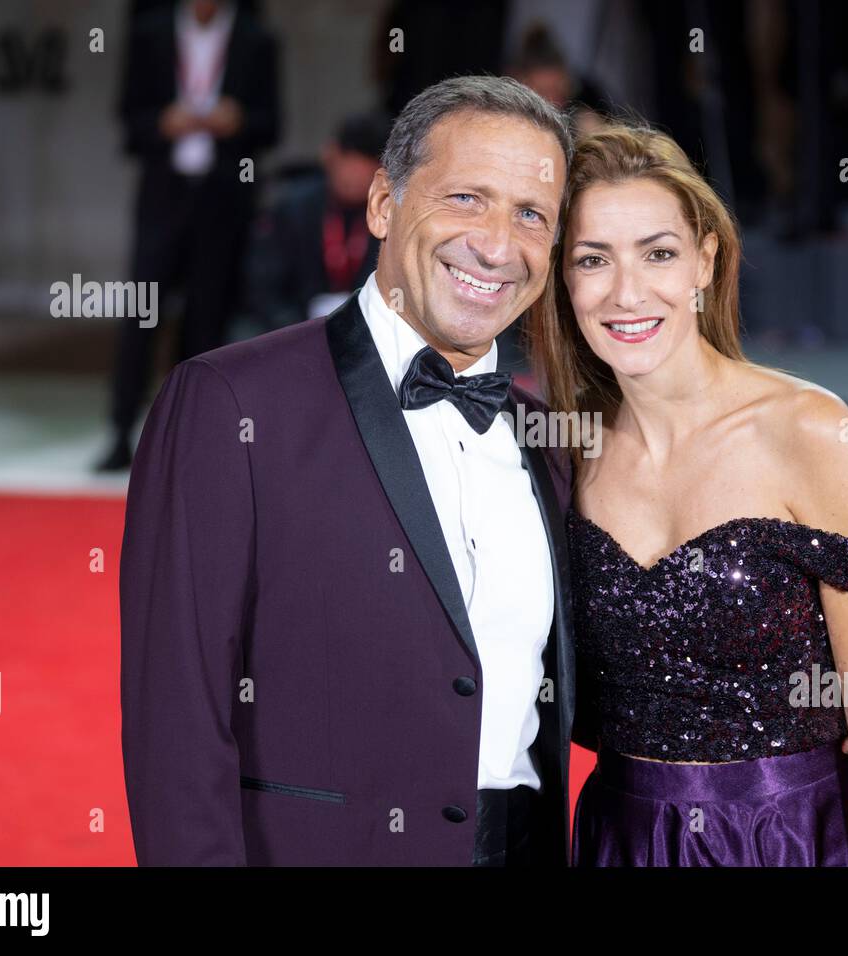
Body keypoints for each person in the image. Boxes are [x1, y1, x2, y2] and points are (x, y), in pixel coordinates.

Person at [120, 76, 576, 866]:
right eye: (467, 198)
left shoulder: (549, 440)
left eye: (531, 214)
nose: (499, 245)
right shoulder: (228, 405)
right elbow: (176, 723)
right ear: (382, 205)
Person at [527, 123, 848, 866]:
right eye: (592, 260)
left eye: (659, 253)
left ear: (705, 261)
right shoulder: (563, 450)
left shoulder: (807, 428)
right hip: (619, 842)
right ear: (562, 277)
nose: (627, 292)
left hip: (785, 840)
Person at [97, 0, 280, 472]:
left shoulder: (256, 38)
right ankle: (120, 431)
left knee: (208, 317)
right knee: (141, 310)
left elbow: (272, 123)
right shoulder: (150, 32)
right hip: (163, 196)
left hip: (222, 199)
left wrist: (238, 121)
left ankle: (196, 434)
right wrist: (162, 122)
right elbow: (128, 120)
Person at [245, 110, 391, 330]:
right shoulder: (292, 208)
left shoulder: (391, 215)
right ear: (330, 155)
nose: (354, 176)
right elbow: (262, 287)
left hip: (366, 328)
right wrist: (301, 330)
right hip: (293, 330)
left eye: (364, 168)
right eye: (348, 164)